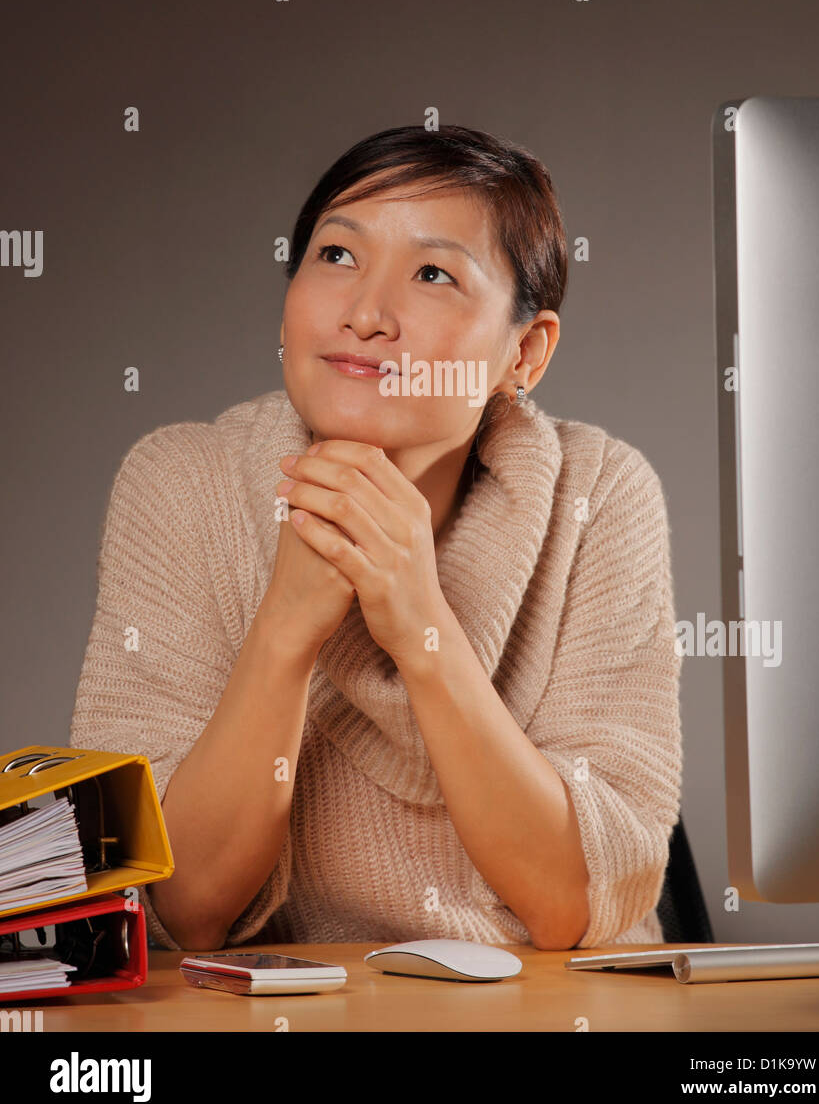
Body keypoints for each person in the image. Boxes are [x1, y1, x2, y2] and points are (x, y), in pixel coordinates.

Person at [69, 123, 682, 953]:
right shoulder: (182, 482)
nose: (363, 314)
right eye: (336, 256)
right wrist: (287, 626)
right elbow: (180, 907)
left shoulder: (599, 495)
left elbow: (574, 904)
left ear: (525, 354)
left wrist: (420, 624)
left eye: (433, 274)